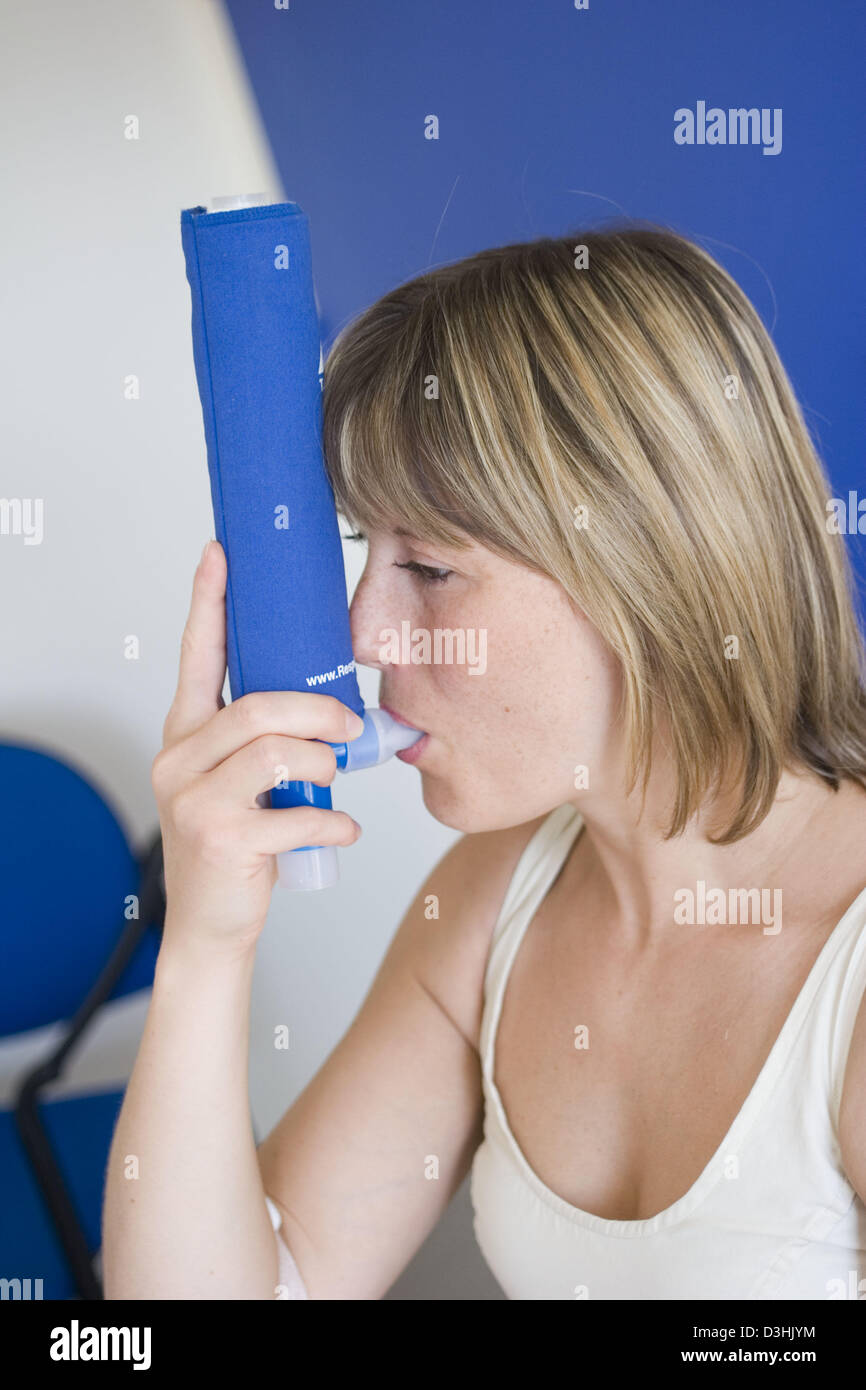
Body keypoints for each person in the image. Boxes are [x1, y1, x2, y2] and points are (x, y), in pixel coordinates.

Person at [102, 222, 866, 1300]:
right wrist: (206, 942)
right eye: (368, 549)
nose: (363, 636)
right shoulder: (493, 896)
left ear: (646, 560)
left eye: (427, 566)